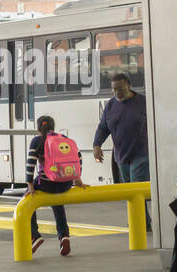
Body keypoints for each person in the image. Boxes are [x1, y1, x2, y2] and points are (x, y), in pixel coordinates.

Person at [92, 72, 150, 230]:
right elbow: (103, 127)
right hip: (121, 156)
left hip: (141, 154)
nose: (118, 92)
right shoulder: (111, 105)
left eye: (121, 88)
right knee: (129, 191)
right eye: (114, 89)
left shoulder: (143, 102)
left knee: (135, 188)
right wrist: (97, 145)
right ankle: (143, 221)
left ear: (129, 87)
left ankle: (140, 223)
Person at [27, 114, 86, 256]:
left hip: (46, 184)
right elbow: (79, 157)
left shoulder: (36, 141)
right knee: (58, 203)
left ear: (38, 128)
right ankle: (64, 235)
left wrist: (30, 185)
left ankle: (35, 235)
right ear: (53, 127)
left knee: (26, 202)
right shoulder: (64, 139)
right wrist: (77, 179)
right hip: (65, 183)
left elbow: (30, 164)